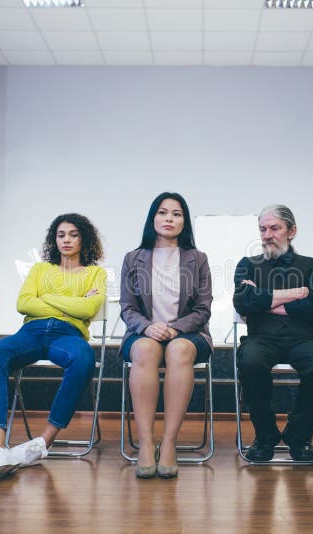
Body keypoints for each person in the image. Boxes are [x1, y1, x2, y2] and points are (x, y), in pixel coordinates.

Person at [0, 213, 106, 482]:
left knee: (83, 358)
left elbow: (89, 308)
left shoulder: (95, 273)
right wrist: (71, 303)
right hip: (32, 333)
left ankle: (42, 443)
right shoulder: (39, 269)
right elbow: (24, 304)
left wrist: (45, 297)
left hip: (68, 335)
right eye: (61, 235)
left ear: (84, 238)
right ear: (54, 239)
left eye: (73, 234)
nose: (67, 240)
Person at [120, 192, 212, 479]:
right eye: (162, 212)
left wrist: (175, 329)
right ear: (152, 218)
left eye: (176, 213)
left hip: (189, 333)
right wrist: (147, 327)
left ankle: (169, 441)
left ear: (184, 221)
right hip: (143, 333)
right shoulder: (133, 258)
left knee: (178, 350)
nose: (169, 218)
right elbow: (127, 307)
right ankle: (146, 442)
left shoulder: (198, 259)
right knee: (146, 350)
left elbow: (203, 308)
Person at [233, 204, 313, 462]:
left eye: (274, 228)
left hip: (303, 340)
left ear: (292, 231)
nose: (267, 235)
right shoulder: (248, 264)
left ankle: (298, 436)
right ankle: (265, 436)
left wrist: (264, 302)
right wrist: (295, 294)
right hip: (260, 339)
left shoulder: (312, 266)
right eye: (263, 229)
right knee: (250, 361)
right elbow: (243, 303)